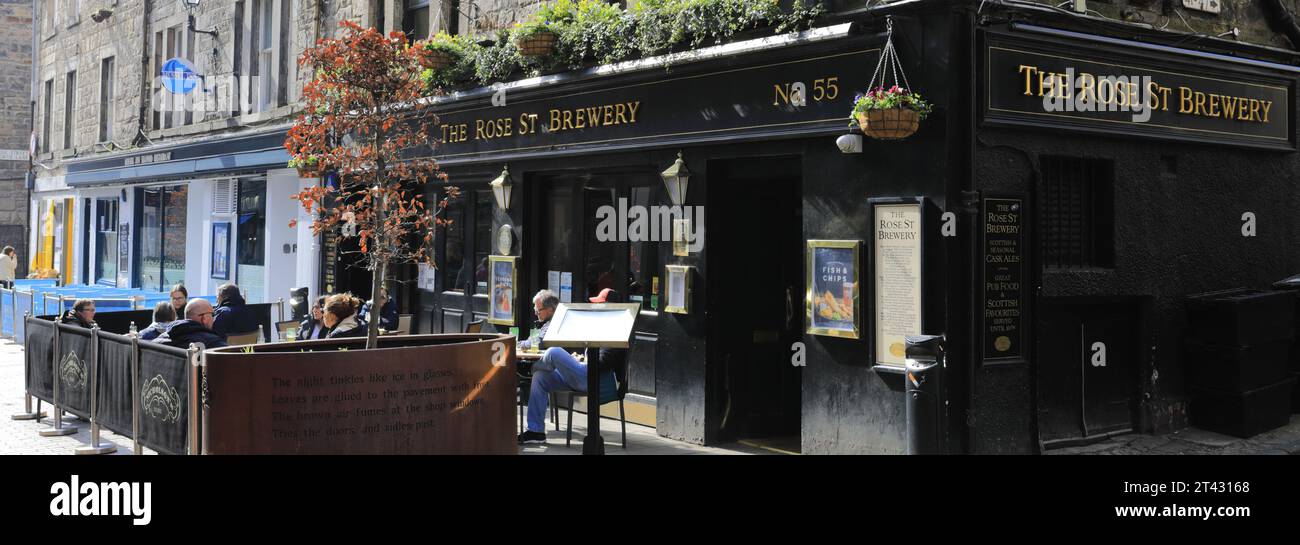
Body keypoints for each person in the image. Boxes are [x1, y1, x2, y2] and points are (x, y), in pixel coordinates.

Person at [518, 288, 625, 445]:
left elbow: (603, 363)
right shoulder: (603, 326)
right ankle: (536, 431)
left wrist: (582, 362)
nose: (596, 308)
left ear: (609, 306)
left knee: (554, 352)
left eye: (600, 304)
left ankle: (527, 368)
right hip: (586, 373)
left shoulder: (615, 329)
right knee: (540, 378)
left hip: (597, 380)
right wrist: (581, 358)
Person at [154, 298, 228, 349]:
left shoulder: (160, 339)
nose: (213, 318)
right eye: (212, 314)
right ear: (204, 318)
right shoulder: (212, 343)